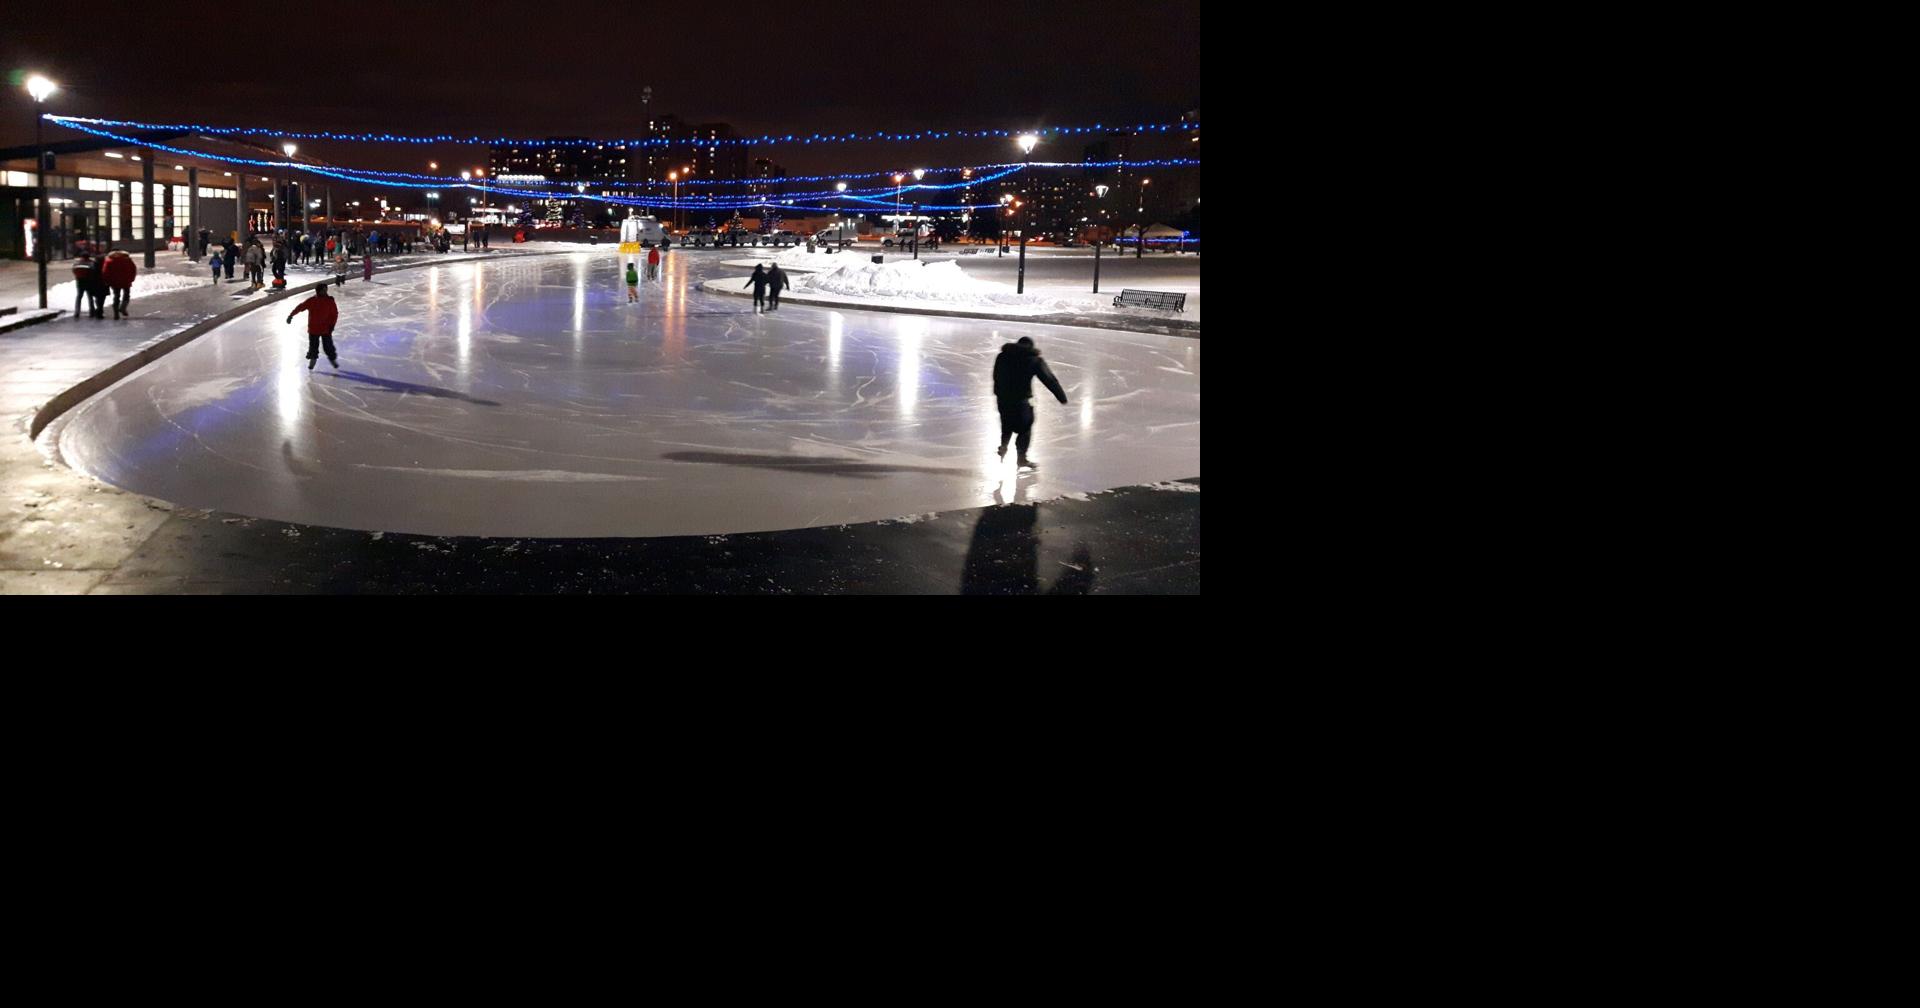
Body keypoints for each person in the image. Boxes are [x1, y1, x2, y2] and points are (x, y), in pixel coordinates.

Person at [992, 336, 1069, 469]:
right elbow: (1050, 380)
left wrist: (999, 393)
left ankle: (1003, 446)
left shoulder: (1003, 356)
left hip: (1003, 399)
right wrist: (1061, 397)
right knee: (1025, 429)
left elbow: (996, 376)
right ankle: (1022, 458)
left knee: (1006, 424)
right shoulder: (1034, 360)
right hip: (1023, 401)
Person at [287, 284, 340, 370]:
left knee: (328, 346)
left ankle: (332, 360)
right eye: (324, 290)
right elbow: (300, 307)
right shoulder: (312, 301)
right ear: (318, 291)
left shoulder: (329, 301)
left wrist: (332, 325)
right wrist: (291, 315)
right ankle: (313, 359)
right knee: (313, 347)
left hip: (326, 329)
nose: (325, 292)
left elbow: (334, 314)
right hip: (314, 329)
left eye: (326, 290)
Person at [102, 249, 137, 318]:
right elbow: (133, 270)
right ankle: (123, 307)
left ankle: (116, 313)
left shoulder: (109, 261)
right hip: (126, 281)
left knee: (116, 296)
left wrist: (107, 281)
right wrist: (131, 279)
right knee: (126, 295)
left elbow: (105, 272)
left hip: (115, 282)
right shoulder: (128, 260)